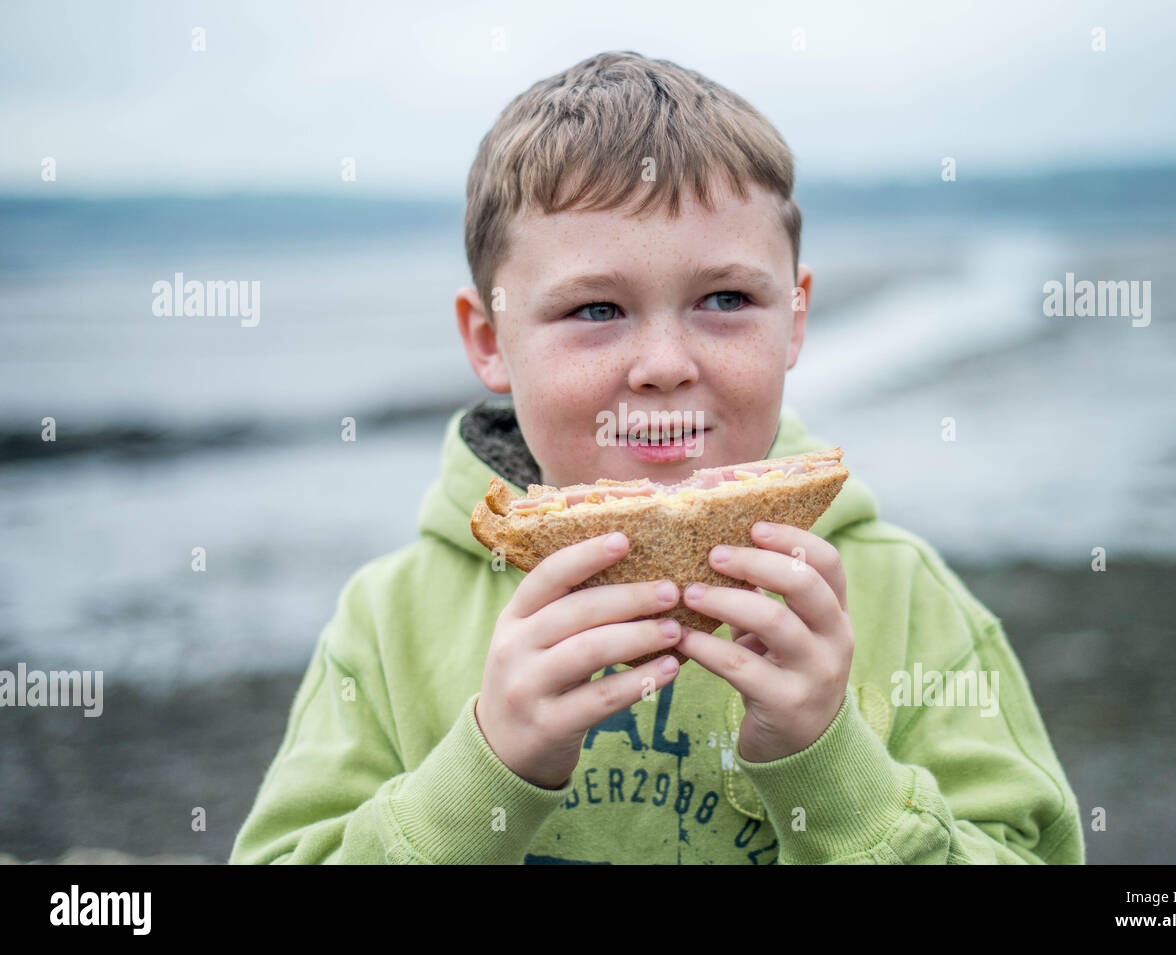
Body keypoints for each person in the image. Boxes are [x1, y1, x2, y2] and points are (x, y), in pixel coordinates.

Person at [229, 50, 1085, 864]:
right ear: (489, 340)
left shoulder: (901, 595)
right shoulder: (389, 621)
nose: (666, 363)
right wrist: (487, 766)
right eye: (596, 310)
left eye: (726, 299)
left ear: (794, 317)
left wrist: (829, 765)